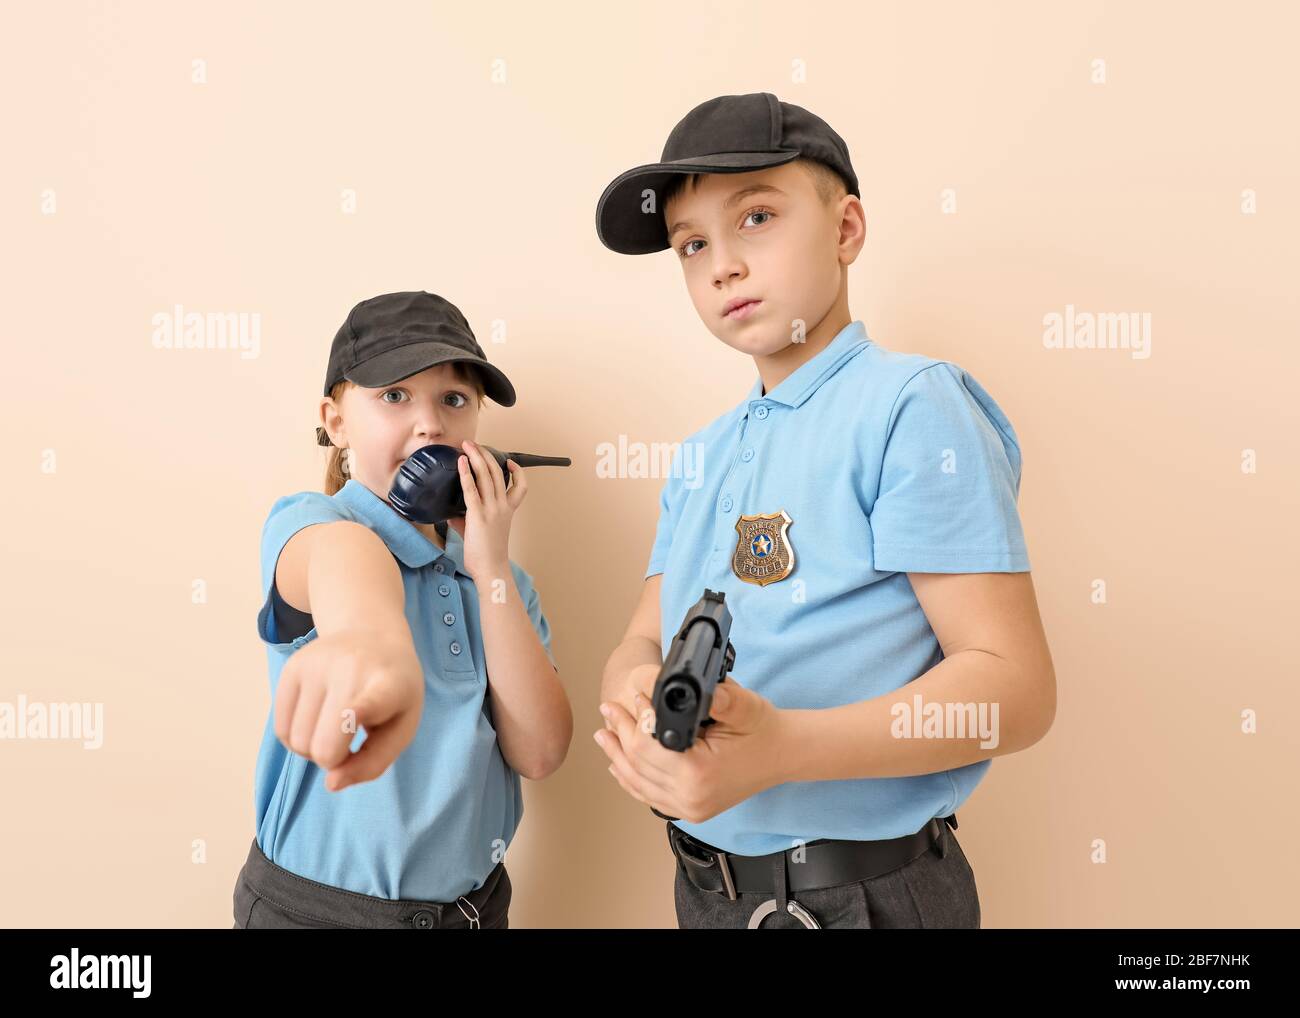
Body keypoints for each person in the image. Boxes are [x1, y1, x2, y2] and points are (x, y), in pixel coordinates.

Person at [593, 93, 1056, 929]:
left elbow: (1013, 691)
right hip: (706, 892)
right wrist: (630, 689)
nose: (722, 265)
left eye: (757, 217)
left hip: (861, 899)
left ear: (845, 231)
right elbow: (643, 636)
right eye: (692, 244)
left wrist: (780, 751)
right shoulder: (700, 454)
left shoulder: (911, 406)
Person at [231, 290, 571, 929]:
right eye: (395, 396)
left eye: (454, 400)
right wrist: (373, 643)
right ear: (335, 421)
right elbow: (345, 569)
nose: (430, 425)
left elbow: (541, 753)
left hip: (471, 911)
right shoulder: (315, 524)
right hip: (319, 915)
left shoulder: (501, 582)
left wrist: (491, 568)